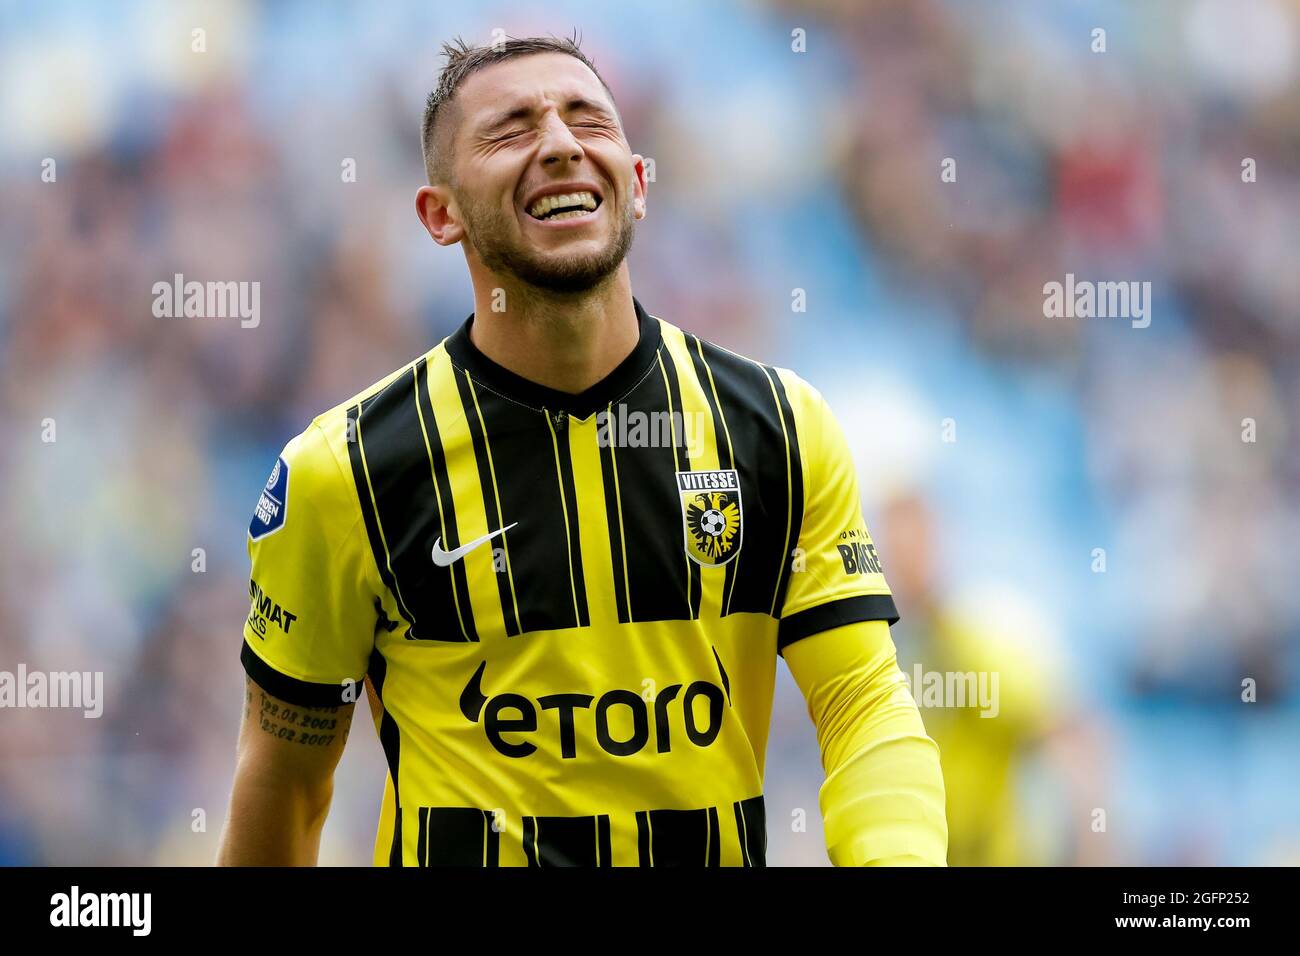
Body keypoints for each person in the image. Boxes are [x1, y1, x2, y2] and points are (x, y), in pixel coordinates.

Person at [216, 34, 946, 867]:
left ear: (636, 185)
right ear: (440, 213)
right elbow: (284, 780)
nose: (560, 143)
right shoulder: (342, 473)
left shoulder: (777, 430)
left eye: (587, 120)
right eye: (511, 130)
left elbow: (862, 703)